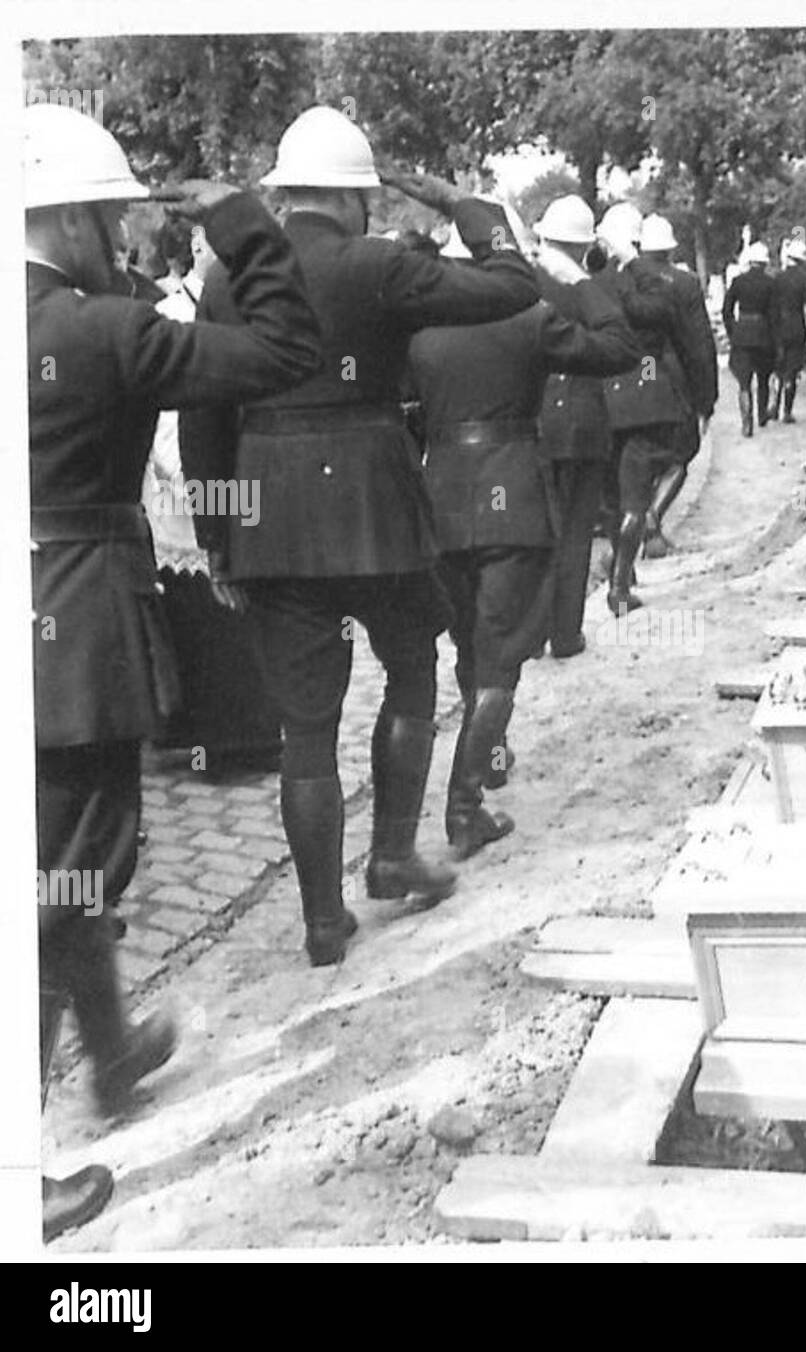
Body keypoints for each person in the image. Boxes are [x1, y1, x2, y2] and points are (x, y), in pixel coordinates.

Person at [26, 102, 322, 1240]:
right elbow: (287, 352)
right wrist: (247, 228)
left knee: (60, 866)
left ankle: (108, 1055)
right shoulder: (103, 331)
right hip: (73, 624)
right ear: (71, 217)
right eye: (107, 215)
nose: (117, 234)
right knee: (69, 868)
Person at [181, 107, 542, 967]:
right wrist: (461, 203)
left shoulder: (227, 277)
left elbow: (204, 414)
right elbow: (513, 284)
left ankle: (320, 922)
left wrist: (220, 536)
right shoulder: (378, 266)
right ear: (353, 199)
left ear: (286, 191)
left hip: (268, 515)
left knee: (304, 726)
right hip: (375, 505)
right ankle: (391, 852)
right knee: (413, 667)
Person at [409, 202, 639, 859]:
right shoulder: (528, 315)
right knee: (502, 655)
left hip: (442, 494)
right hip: (512, 493)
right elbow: (620, 347)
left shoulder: (420, 326)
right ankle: (464, 804)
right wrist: (575, 277)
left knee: (469, 644)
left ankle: (487, 760)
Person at [144, 221, 282, 773]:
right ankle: (209, 742)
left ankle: (252, 734)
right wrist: (184, 476)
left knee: (241, 613)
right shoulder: (168, 316)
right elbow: (163, 411)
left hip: (236, 475)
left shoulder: (246, 310)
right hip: (181, 479)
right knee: (200, 616)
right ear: (197, 249)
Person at [591, 201, 689, 613]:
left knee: (613, 498)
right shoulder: (643, 286)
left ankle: (622, 575)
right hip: (643, 399)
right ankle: (620, 588)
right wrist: (635, 262)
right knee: (635, 498)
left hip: (601, 400)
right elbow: (664, 307)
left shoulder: (591, 284)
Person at [536, 196, 617, 658]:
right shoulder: (593, 290)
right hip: (585, 419)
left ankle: (530, 634)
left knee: (539, 531)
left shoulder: (525, 284)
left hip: (539, 419)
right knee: (575, 532)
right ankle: (565, 632)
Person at [634, 213, 717, 557]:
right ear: (670, 249)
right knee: (681, 453)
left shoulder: (625, 279)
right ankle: (652, 517)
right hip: (671, 372)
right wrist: (705, 398)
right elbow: (698, 344)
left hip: (634, 370)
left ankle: (633, 527)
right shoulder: (684, 283)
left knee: (636, 454)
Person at [722, 242, 778, 435]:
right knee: (763, 378)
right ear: (764, 263)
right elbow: (775, 314)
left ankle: (747, 423)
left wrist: (732, 331)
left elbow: (726, 309)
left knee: (744, 383)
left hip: (743, 333)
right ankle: (762, 415)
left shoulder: (739, 281)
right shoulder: (771, 283)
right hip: (763, 333)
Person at [770, 235, 806, 423]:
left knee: (778, 368)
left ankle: (774, 404)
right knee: (792, 369)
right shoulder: (805, 280)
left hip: (779, 327)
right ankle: (787, 411)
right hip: (796, 325)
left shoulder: (777, 279)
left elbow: (771, 307)